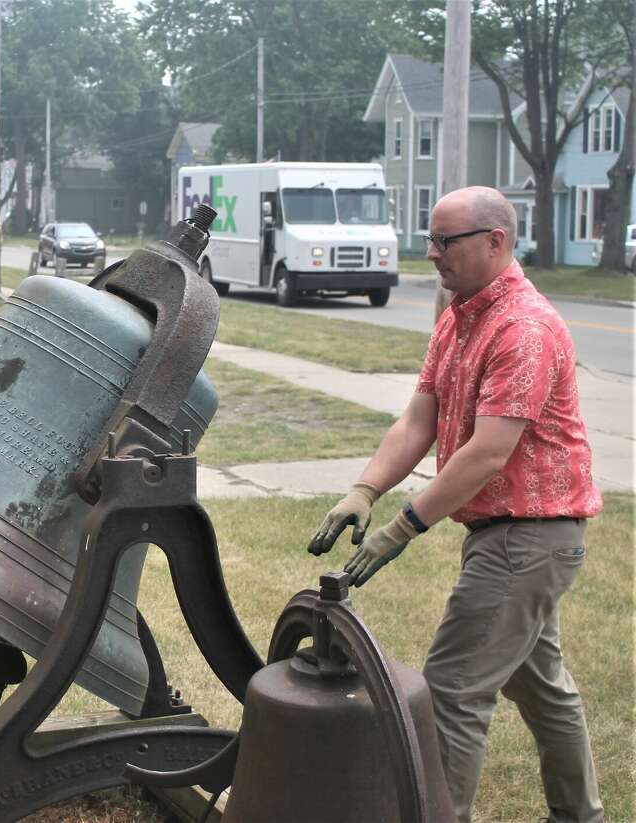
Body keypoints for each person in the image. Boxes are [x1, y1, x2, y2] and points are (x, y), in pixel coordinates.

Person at [307, 187, 604, 823]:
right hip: (516, 537)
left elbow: (487, 454)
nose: (432, 252)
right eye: (430, 238)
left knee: (452, 692)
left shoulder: (524, 327)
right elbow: (423, 415)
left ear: (495, 241)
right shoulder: (462, 313)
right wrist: (365, 488)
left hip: (528, 538)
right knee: (542, 689)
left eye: (446, 241)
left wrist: (401, 527)